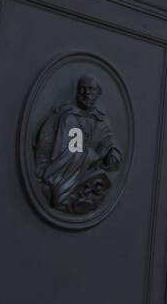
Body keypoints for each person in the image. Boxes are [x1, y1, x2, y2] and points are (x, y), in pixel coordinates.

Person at [33, 75, 122, 214]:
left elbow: (110, 143)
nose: (86, 93)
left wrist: (111, 155)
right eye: (82, 89)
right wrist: (97, 155)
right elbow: (70, 154)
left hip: (91, 178)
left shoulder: (101, 121)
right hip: (65, 175)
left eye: (91, 89)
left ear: (98, 93)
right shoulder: (70, 118)